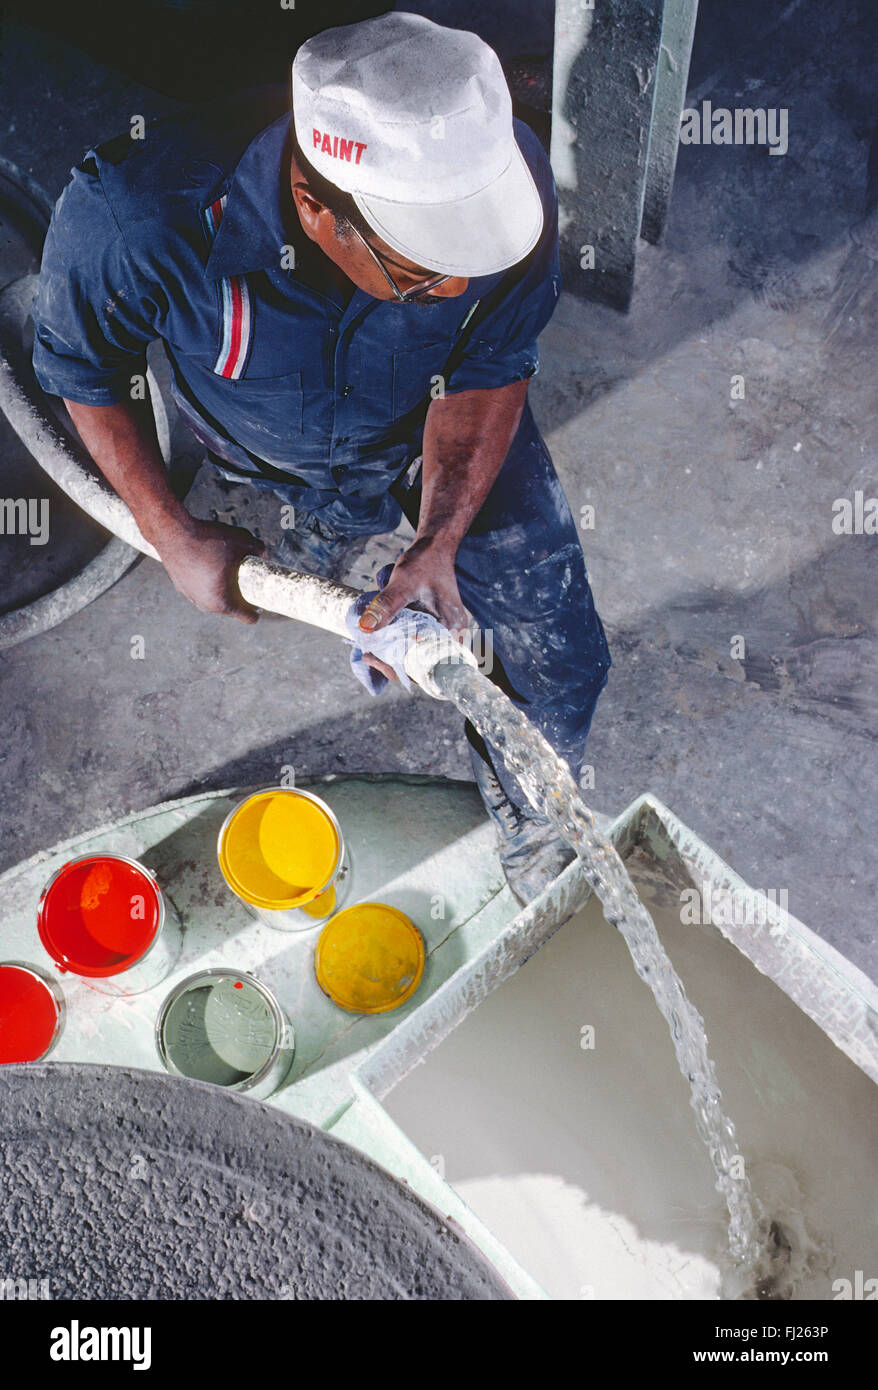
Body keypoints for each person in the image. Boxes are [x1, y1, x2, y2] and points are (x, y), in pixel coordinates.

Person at [31, 12, 611, 903]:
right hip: (264, 451)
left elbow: (490, 360)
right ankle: (324, 533)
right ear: (314, 207)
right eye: (423, 276)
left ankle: (542, 818)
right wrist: (174, 533)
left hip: (423, 424)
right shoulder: (137, 217)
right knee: (312, 524)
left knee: (559, 649)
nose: (453, 288)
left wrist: (441, 541)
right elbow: (84, 369)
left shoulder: (502, 187)